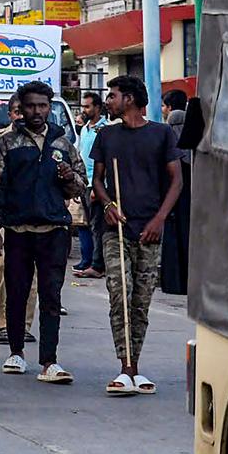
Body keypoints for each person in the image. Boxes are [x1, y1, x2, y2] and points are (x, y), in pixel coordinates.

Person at [0, 81, 87, 384]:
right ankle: (16, 352)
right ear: (21, 109)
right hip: (17, 230)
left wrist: (69, 178)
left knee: (51, 296)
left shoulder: (62, 144)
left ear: (49, 108)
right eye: (31, 106)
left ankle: (49, 361)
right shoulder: (7, 144)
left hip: (54, 231)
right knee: (17, 293)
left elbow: (81, 185)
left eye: (42, 106)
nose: (37, 111)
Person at [90, 75, 183, 397]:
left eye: (112, 96)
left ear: (128, 99)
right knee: (120, 294)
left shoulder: (161, 134)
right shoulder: (106, 135)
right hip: (116, 229)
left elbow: (177, 181)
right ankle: (125, 367)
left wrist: (159, 219)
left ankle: (135, 366)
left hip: (149, 230)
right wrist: (107, 204)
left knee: (140, 302)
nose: (108, 101)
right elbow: (98, 179)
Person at [0, 95, 36, 345]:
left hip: (34, 216)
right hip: (3, 217)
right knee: (4, 268)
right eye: (16, 111)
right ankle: (3, 323)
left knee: (31, 273)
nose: (21, 116)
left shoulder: (45, 140)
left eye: (25, 110)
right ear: (10, 114)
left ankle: (23, 325)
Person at [72, 92, 109, 279]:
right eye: (83, 106)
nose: (84, 110)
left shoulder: (105, 129)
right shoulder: (85, 129)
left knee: (97, 226)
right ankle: (88, 260)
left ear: (97, 108)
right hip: (84, 182)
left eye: (87, 106)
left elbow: (104, 160)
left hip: (97, 184)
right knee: (85, 224)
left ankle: (97, 265)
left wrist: (97, 186)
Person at [159, 89, 191, 295]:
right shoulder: (194, 130)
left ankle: (173, 282)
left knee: (172, 236)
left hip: (172, 195)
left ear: (169, 107)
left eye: (163, 105)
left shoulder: (168, 130)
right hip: (190, 196)